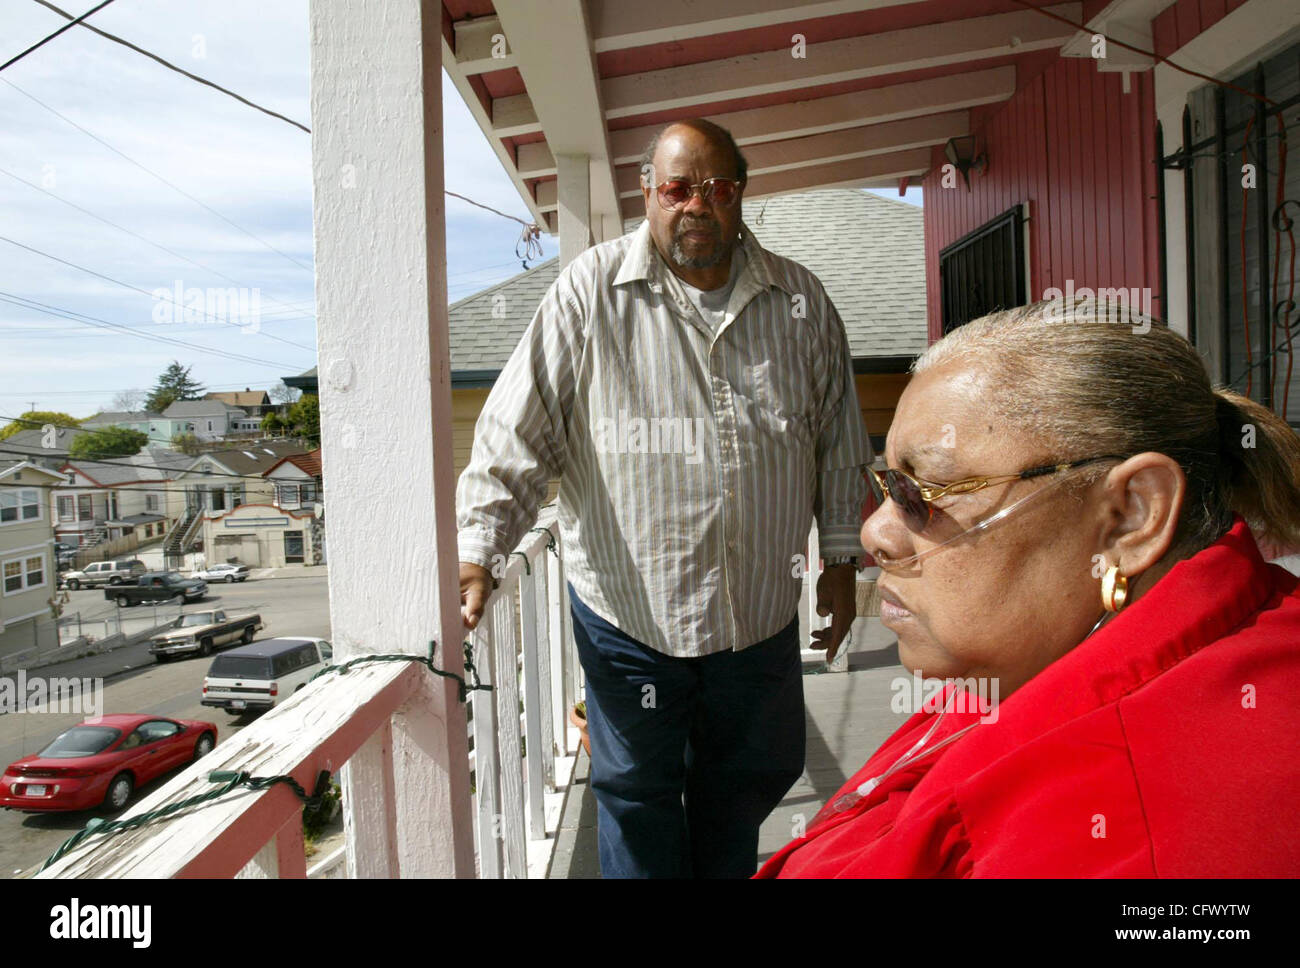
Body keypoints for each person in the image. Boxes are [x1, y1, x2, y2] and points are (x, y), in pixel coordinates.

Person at [456, 119, 873, 877]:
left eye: (717, 188)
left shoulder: (801, 300)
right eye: (678, 188)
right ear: (647, 194)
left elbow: (840, 442)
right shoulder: (589, 293)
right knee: (637, 794)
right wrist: (480, 549)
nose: (698, 205)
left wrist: (841, 559)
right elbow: (516, 432)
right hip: (631, 619)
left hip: (759, 615)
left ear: (740, 195)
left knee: (743, 786)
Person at [756, 297, 1300, 877]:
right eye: (889, 482)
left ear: (1129, 515)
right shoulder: (1036, 648)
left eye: (930, 491)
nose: (877, 532)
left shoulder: (1134, 832)